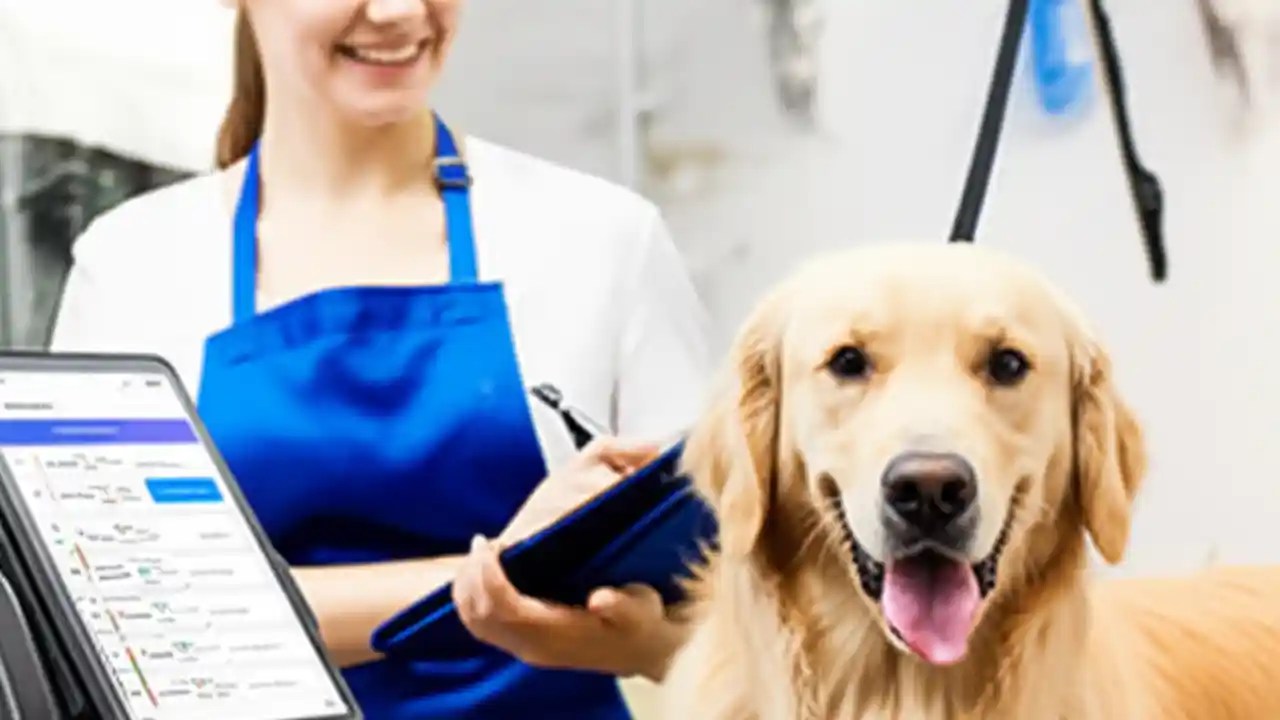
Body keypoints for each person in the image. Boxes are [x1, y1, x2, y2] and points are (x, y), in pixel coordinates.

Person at [47, 0, 711, 717]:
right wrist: (506, 574)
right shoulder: (133, 267)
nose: (398, 11)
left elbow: (732, 600)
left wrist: (650, 643)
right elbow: (125, 622)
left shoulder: (602, 239)